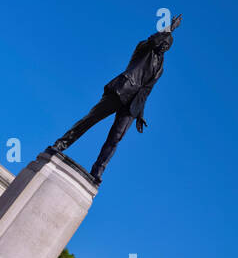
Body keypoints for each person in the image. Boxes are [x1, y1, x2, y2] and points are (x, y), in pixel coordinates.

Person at [52, 16, 181, 184]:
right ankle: (61, 144)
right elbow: (152, 40)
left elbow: (146, 90)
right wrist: (170, 28)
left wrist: (140, 113)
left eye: (168, 45)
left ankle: (97, 171)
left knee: (115, 139)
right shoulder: (144, 48)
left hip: (133, 106)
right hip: (121, 91)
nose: (164, 45)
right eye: (164, 41)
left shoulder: (160, 68)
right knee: (91, 119)